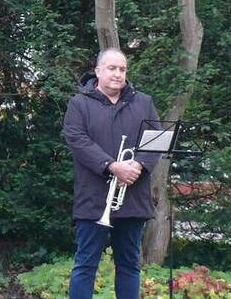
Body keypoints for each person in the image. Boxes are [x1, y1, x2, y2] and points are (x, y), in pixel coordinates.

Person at [63, 48, 161, 299]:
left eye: (122, 69)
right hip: (93, 197)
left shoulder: (144, 102)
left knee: (129, 265)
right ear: (98, 71)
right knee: (85, 265)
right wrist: (112, 165)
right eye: (112, 68)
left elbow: (156, 142)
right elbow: (77, 140)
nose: (118, 74)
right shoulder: (79, 104)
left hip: (133, 195)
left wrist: (136, 166)